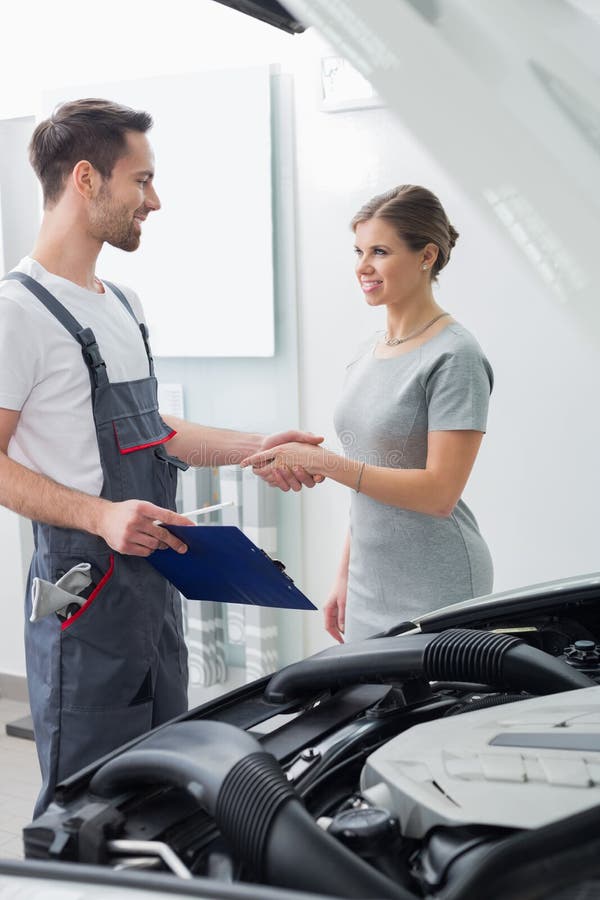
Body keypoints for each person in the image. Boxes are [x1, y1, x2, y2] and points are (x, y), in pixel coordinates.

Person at [0, 98, 321, 815]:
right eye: (141, 180)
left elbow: (149, 429)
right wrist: (100, 514)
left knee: (161, 785)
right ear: (86, 179)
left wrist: (255, 448)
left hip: (154, 588)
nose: (156, 200)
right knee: (87, 806)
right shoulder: (14, 312)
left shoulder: (123, 301)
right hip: (82, 599)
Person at [242, 185, 494, 643]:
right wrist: (346, 573)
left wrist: (321, 461)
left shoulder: (456, 356)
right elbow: (371, 482)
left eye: (379, 251)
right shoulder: (367, 353)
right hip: (368, 582)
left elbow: (440, 493)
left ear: (427, 256)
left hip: (437, 585)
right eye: (359, 250)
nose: (362, 267)